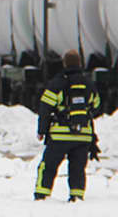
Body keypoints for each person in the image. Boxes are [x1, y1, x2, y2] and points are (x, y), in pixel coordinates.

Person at [34, 49, 101, 202]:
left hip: (60, 135)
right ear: (80, 63)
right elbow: (96, 106)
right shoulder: (88, 83)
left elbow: (45, 108)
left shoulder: (57, 83)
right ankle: (76, 195)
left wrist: (42, 130)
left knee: (48, 166)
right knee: (78, 168)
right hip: (83, 135)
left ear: (64, 64)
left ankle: (41, 194)